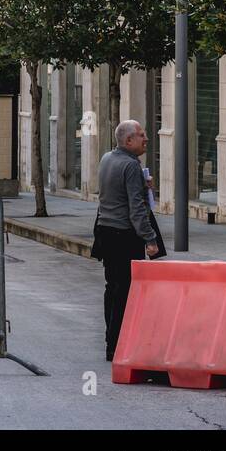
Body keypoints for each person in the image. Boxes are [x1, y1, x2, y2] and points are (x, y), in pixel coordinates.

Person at [94, 119, 162, 361]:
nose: (146, 139)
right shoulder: (131, 165)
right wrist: (150, 238)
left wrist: (144, 188)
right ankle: (117, 344)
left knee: (112, 287)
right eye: (141, 135)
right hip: (124, 235)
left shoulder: (107, 159)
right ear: (128, 140)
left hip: (105, 231)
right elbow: (137, 208)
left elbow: (114, 194)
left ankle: (110, 341)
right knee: (125, 291)